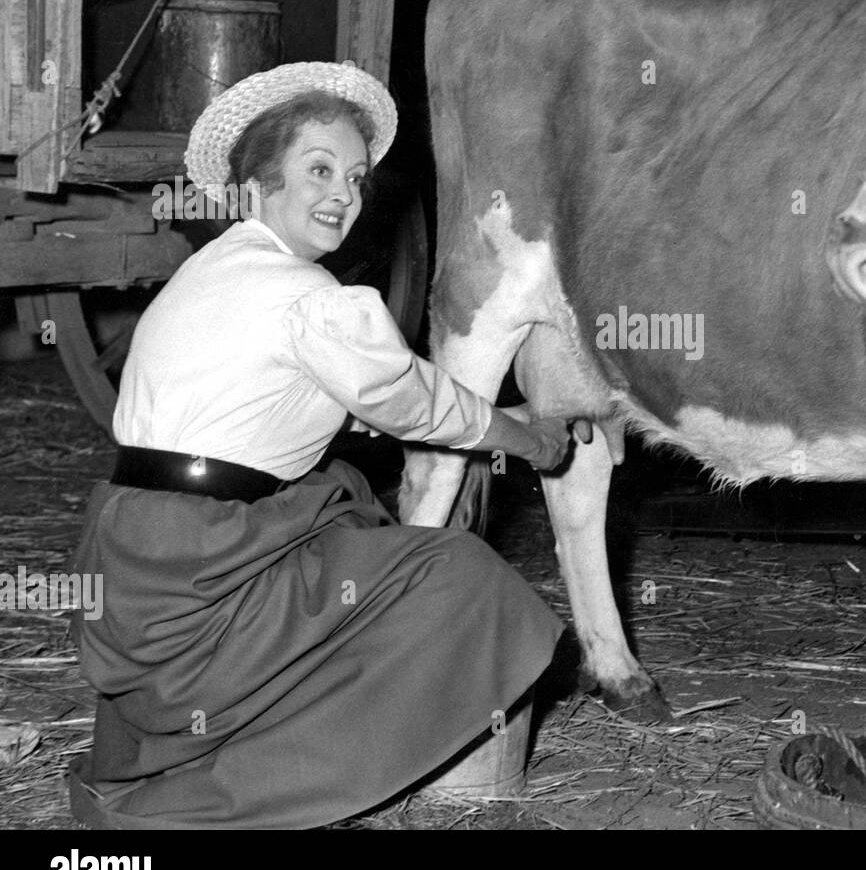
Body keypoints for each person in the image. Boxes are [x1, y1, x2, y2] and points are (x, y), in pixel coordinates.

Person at [68, 61, 574, 829]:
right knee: (462, 576)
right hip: (198, 574)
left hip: (126, 567)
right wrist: (530, 438)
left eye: (358, 177)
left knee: (338, 497)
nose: (344, 193)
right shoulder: (312, 299)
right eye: (319, 169)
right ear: (262, 181)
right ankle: (237, 794)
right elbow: (419, 405)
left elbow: (302, 401)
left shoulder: (208, 273)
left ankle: (229, 729)